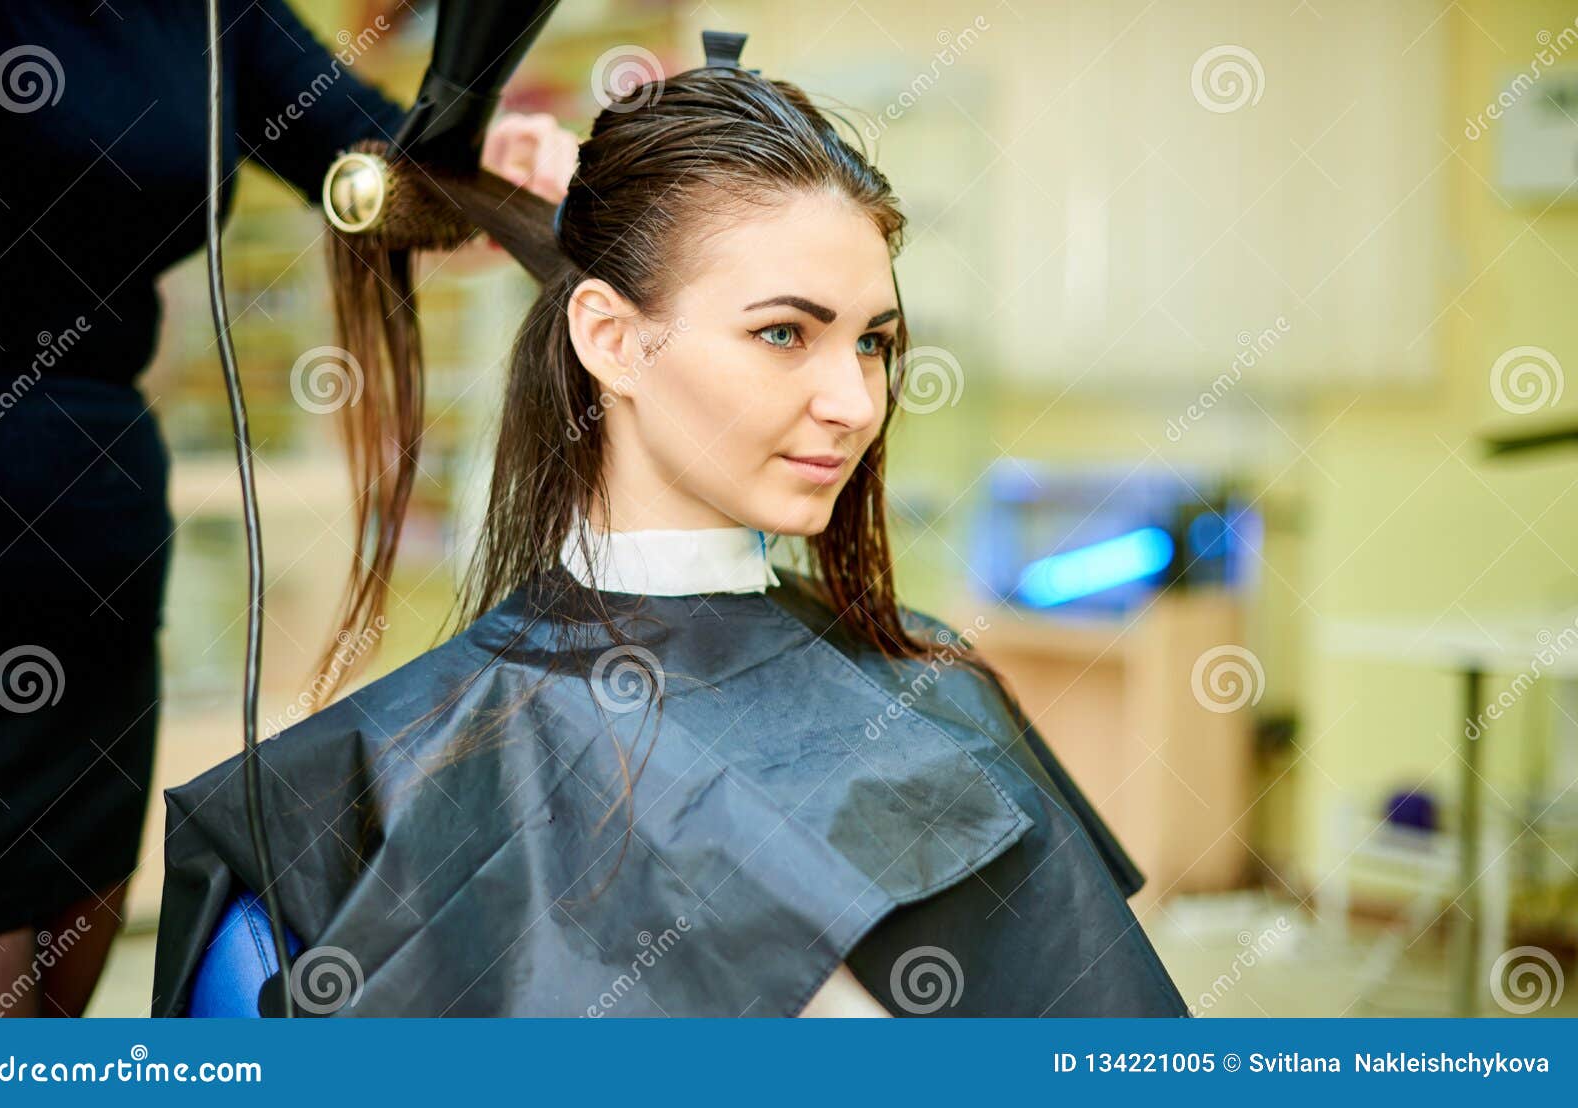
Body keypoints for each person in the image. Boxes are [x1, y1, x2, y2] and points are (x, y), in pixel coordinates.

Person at [152, 46, 1188, 1018]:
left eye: (871, 341)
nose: (853, 401)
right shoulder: (413, 762)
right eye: (783, 332)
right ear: (610, 339)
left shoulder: (934, 682)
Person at [0, 0, 572, 1017]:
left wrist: (484, 165)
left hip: (95, 499)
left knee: (64, 952)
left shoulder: (211, 11)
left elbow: (371, 174)